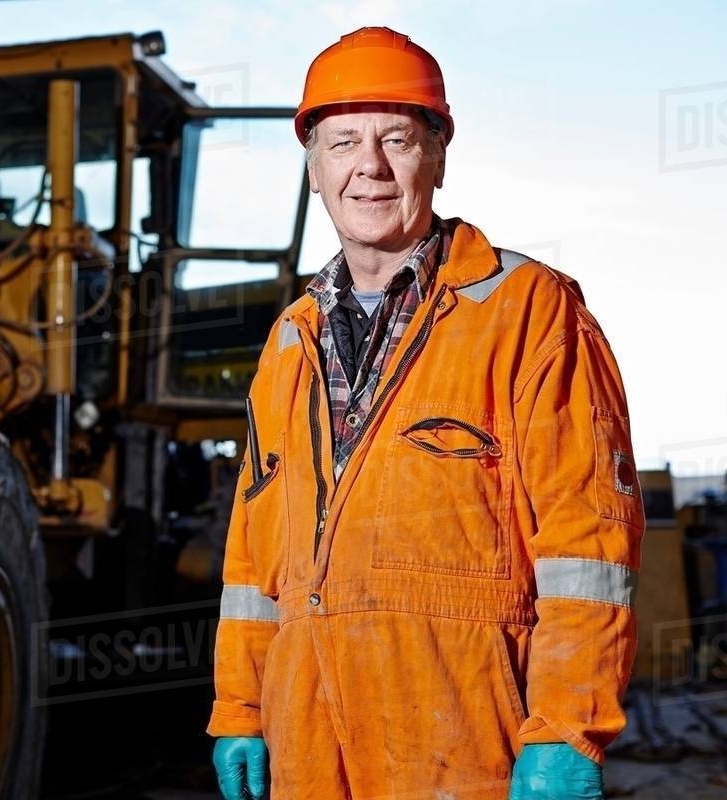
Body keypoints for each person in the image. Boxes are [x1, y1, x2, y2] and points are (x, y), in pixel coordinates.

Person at [208, 26, 643, 800]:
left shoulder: (527, 312)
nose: (368, 167)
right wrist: (239, 705)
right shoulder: (288, 342)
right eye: (342, 142)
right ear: (313, 167)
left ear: (438, 156)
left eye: (398, 140)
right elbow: (254, 558)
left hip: (466, 735)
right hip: (305, 735)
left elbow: (589, 540)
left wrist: (570, 726)